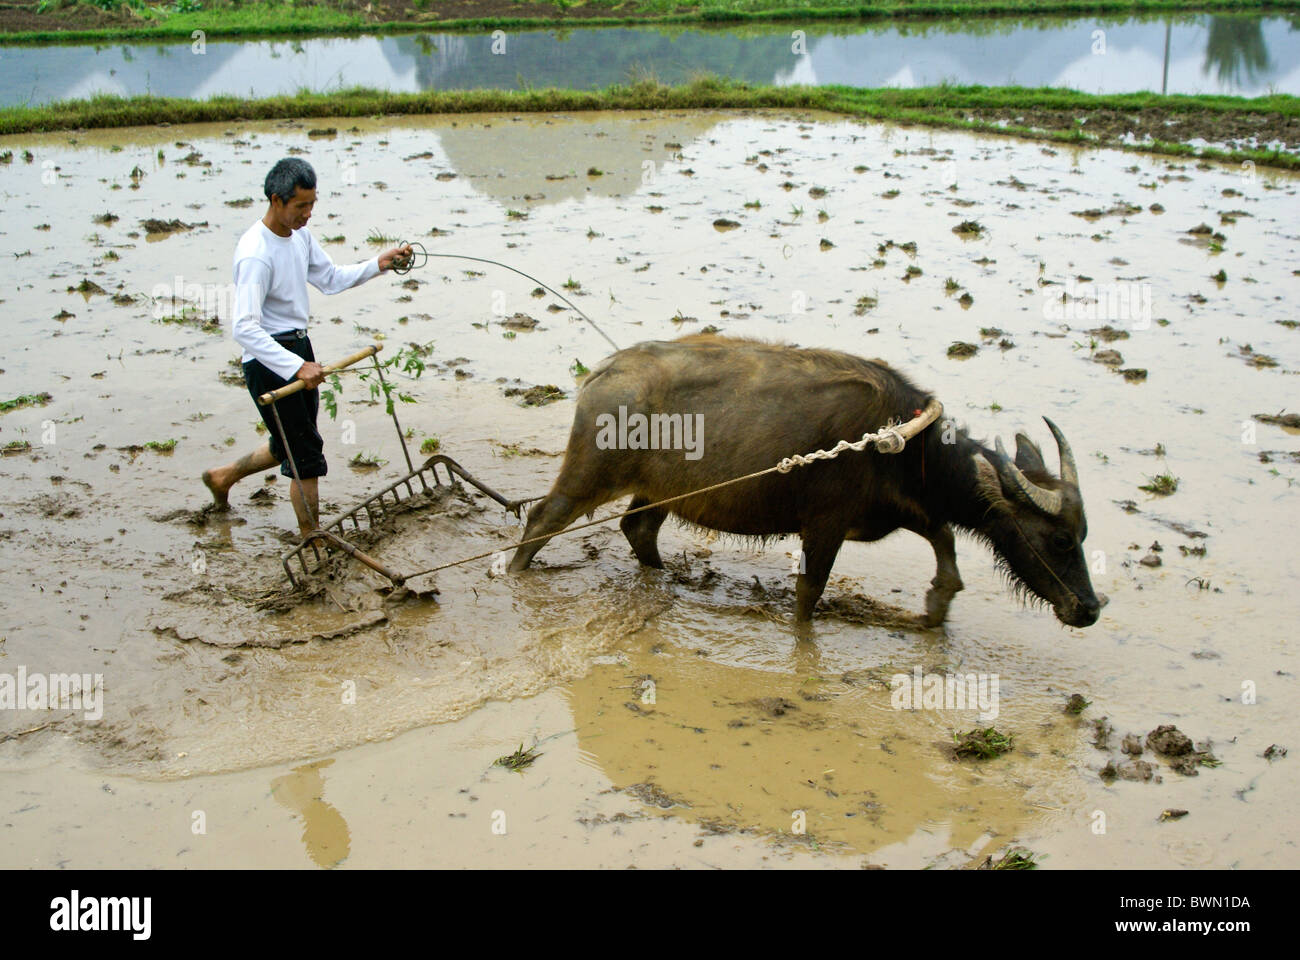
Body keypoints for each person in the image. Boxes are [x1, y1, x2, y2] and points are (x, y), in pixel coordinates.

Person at [201, 157, 411, 538]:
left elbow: (329, 278)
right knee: (306, 454)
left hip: (299, 347)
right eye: (301, 206)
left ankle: (223, 476)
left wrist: (377, 264)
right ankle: (310, 537)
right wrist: (296, 367)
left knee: (291, 444)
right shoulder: (255, 253)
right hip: (269, 361)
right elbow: (245, 328)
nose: (308, 213)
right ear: (276, 200)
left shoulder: (299, 236)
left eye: (312, 204)